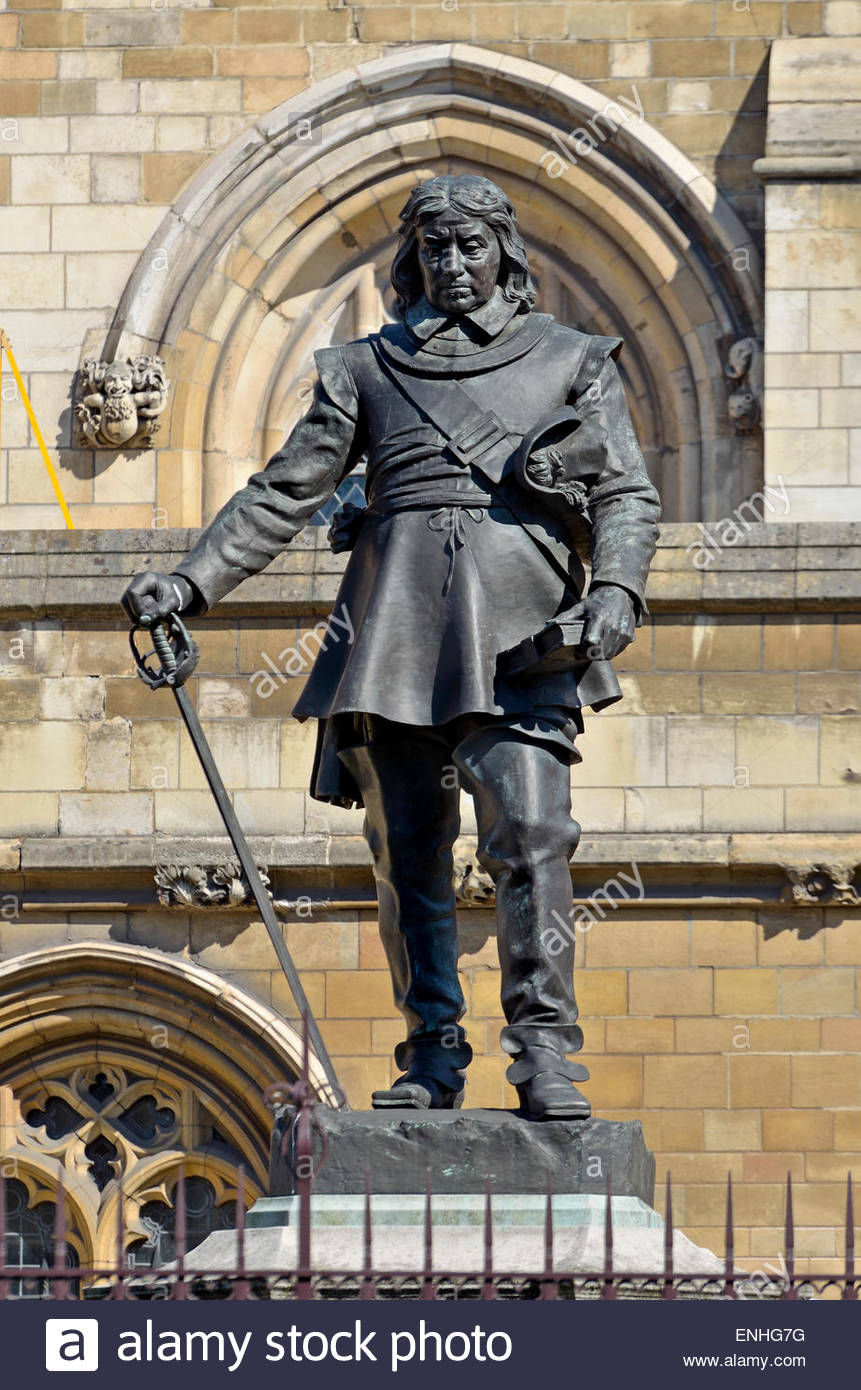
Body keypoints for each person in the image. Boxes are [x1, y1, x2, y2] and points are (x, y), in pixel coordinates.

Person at [122, 173, 660, 1121]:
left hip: (523, 629)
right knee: (406, 853)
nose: (453, 265)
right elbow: (281, 493)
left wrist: (614, 588)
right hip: (395, 630)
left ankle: (542, 1050)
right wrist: (191, 579)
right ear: (413, 261)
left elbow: (624, 492)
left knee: (532, 836)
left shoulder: (572, 358)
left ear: (504, 253)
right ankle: (431, 1053)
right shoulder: (363, 368)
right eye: (435, 249)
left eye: (472, 246)